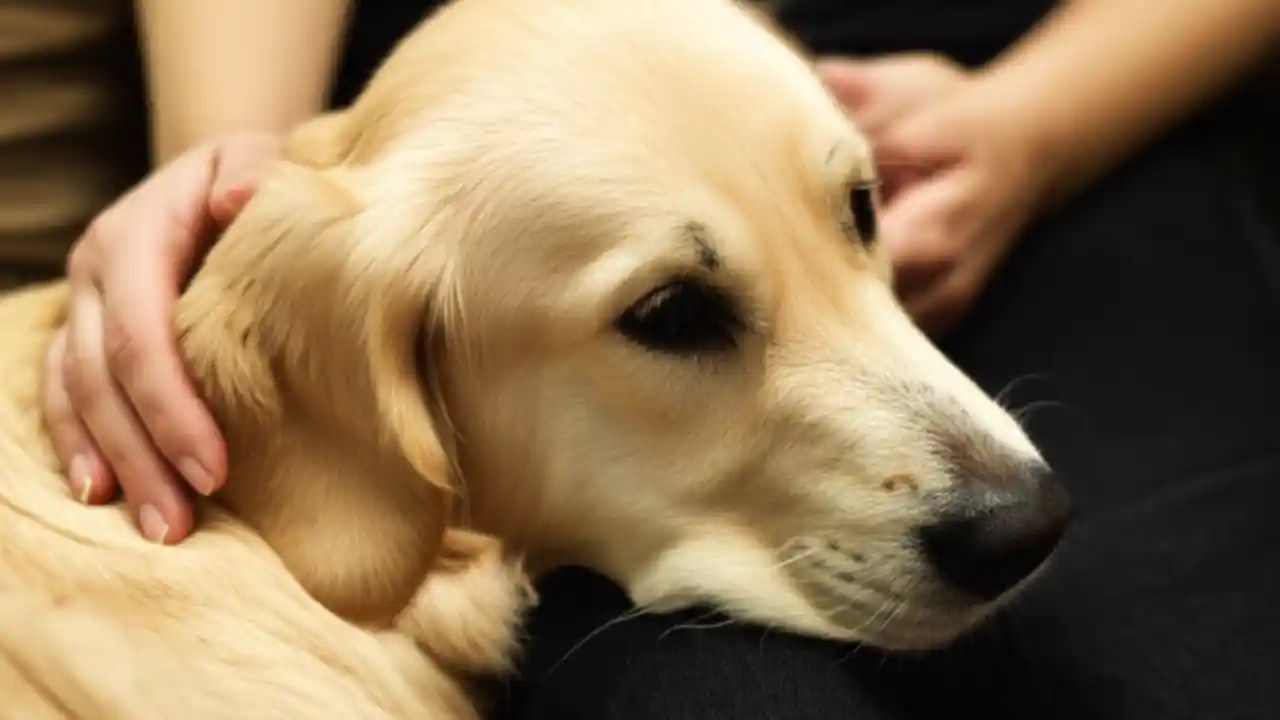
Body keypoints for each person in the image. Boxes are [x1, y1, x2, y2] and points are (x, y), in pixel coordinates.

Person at [38, 0, 1280, 718]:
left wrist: (1036, 124)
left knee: (1179, 679)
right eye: (676, 315)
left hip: (1021, 98)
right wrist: (229, 184)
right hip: (504, 151)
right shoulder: (423, 245)